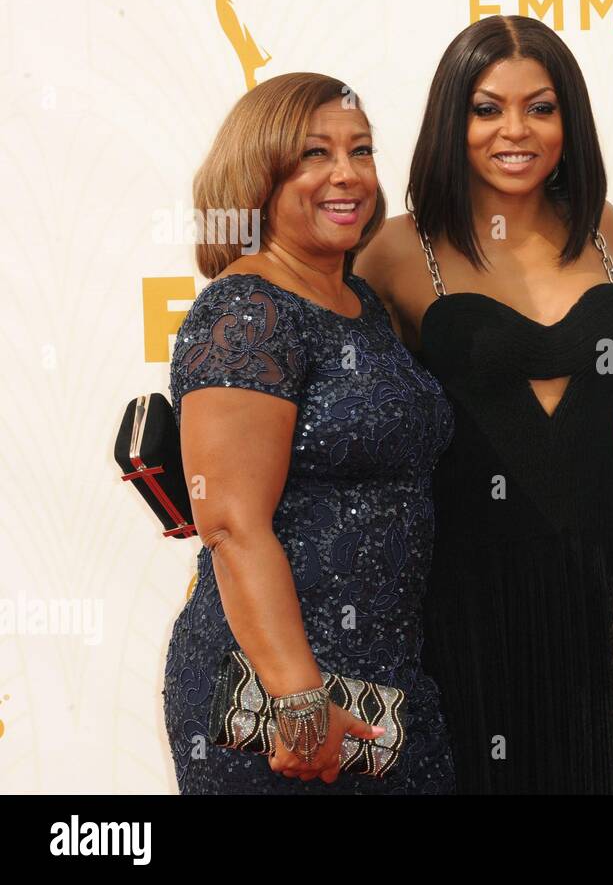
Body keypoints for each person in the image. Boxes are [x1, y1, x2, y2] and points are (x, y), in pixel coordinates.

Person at [354, 16, 613, 793]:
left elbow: (606, 391)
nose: (516, 130)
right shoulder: (397, 249)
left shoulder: (602, 230)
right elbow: (373, 421)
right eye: (487, 108)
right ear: (449, 120)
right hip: (469, 579)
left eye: (541, 106)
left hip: (602, 571)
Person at [163, 72, 455, 794]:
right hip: (274, 699)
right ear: (257, 175)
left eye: (361, 151)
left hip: (388, 688)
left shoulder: (361, 300)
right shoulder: (247, 312)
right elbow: (230, 523)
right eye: (315, 155)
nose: (347, 174)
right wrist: (297, 696)